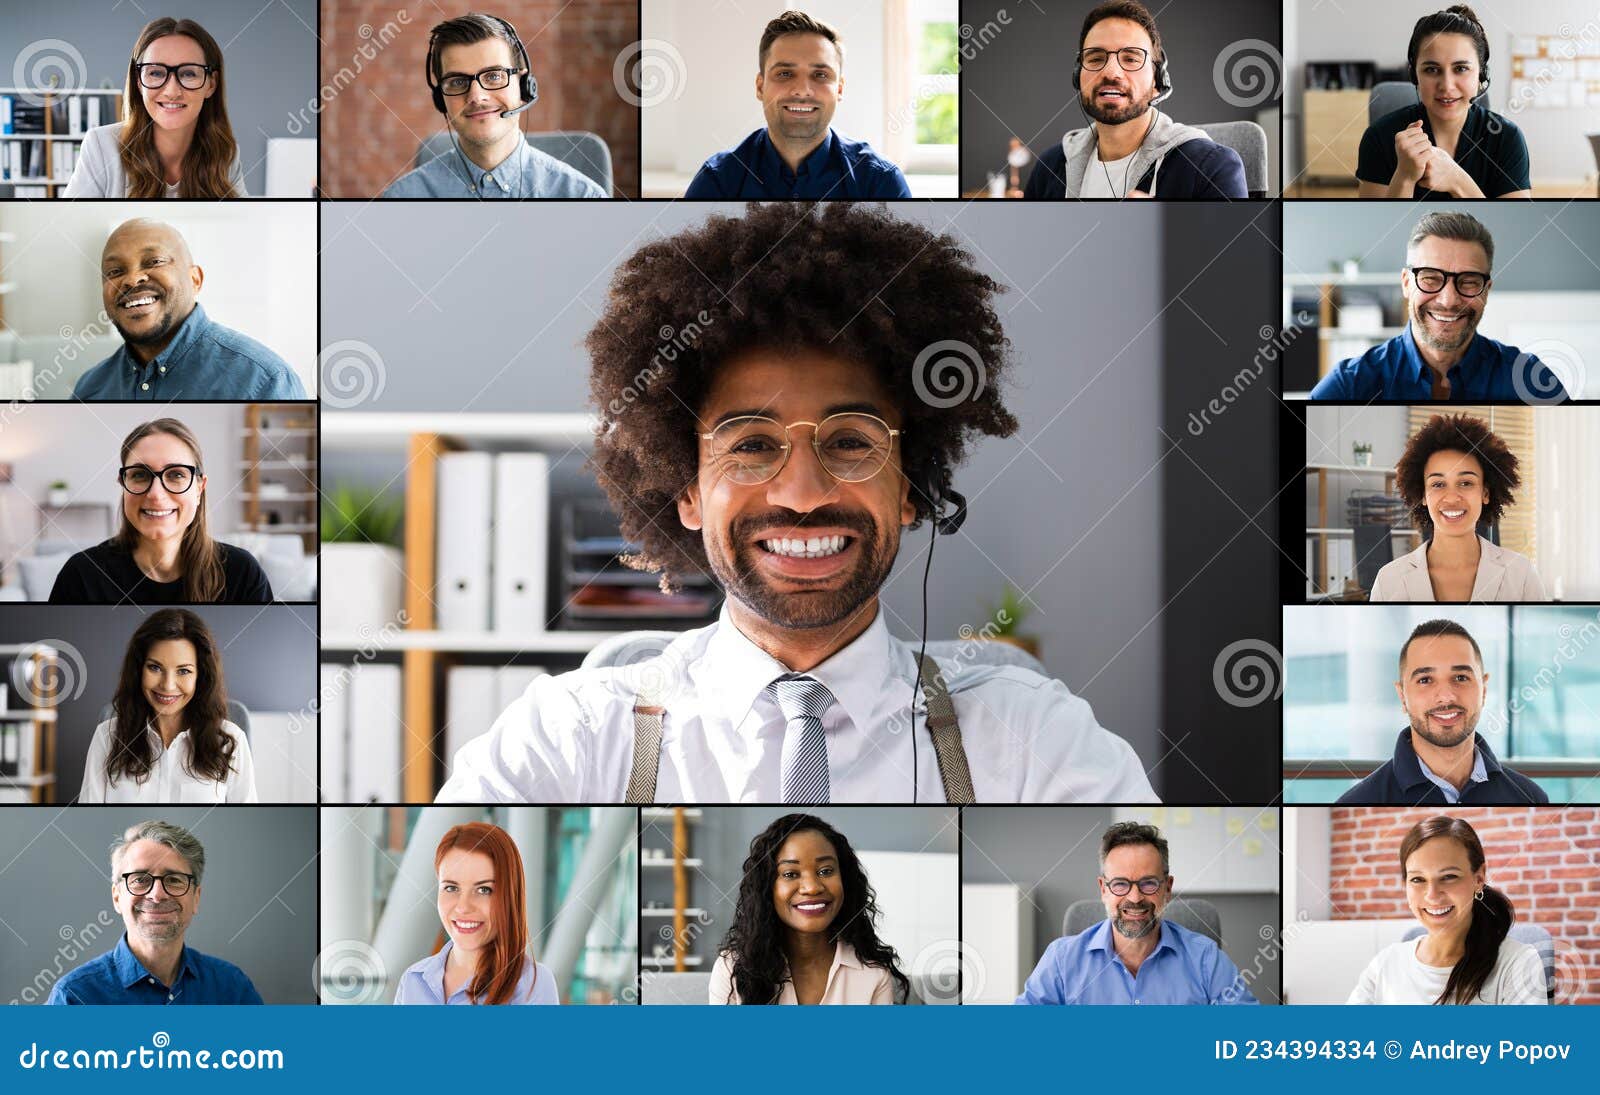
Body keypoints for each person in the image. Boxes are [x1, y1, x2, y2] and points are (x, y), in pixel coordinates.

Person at [437, 203, 1156, 804]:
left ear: (910, 486)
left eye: (850, 441)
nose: (803, 494)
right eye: (750, 445)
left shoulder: (1035, 741)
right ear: (687, 489)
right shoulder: (571, 735)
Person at [1310, 212, 1567, 401]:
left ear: (1486, 291)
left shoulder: (1528, 379)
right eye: (1431, 278)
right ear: (1406, 284)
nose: (1448, 300)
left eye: (1468, 282)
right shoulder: (1350, 384)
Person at [1015, 821, 1257, 1004]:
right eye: (1120, 884)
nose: (1135, 897)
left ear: (1167, 888)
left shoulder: (1205, 958)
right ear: (1103, 889)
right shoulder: (1061, 960)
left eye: (1148, 883)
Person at [1023, 1, 1246, 199]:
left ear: (1157, 82)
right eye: (1096, 58)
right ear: (1077, 76)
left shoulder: (1211, 167)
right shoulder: (1051, 167)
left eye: (1130, 59)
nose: (1111, 72)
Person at [683, 10, 911, 199]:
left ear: (839, 89)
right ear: (760, 86)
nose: (802, 89)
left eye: (820, 75)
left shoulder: (881, 183)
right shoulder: (718, 181)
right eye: (785, 73)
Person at [72, 219, 306, 401]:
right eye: (114, 272)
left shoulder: (265, 380)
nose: (132, 280)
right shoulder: (89, 389)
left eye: (154, 262)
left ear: (195, 280)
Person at [381, 13, 606, 199]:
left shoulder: (585, 196)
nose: (477, 97)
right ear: (441, 99)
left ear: (524, 87)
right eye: (458, 82)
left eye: (494, 77)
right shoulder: (399, 199)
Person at [50, 418, 273, 604]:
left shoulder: (242, 573)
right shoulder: (81, 575)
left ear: (199, 488)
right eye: (139, 474)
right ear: (122, 483)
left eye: (176, 475)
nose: (156, 494)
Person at [47, 820, 263, 1003]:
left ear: (196, 898)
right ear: (117, 897)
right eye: (140, 880)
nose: (157, 895)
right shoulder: (74, 997)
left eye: (174, 880)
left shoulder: (233, 990)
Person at [1338, 618, 1548, 804]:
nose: (1446, 696)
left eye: (1460, 678)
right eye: (1425, 680)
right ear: (1402, 696)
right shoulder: (1361, 800)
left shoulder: (1530, 797)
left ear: (1483, 689)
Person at [710, 814, 906, 1004]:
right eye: (790, 874)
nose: (812, 887)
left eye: (826, 871)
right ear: (767, 887)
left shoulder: (874, 974)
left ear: (845, 880)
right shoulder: (731, 969)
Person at [1348, 815, 1545, 1004]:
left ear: (1479, 878)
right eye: (1418, 879)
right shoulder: (1385, 963)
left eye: (1449, 876)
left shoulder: (1519, 964)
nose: (1432, 895)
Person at [78, 609, 255, 804]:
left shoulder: (231, 741)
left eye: (184, 671)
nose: (168, 685)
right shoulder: (107, 737)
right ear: (138, 670)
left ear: (201, 676)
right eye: (155, 667)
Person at [1357, 7, 1530, 199]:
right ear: (1414, 75)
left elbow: (1505, 225)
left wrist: (1457, 180)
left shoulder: (1507, 137)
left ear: (1481, 74)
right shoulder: (1379, 137)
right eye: (1432, 69)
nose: (1447, 86)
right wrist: (1404, 178)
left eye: (1461, 68)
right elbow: (1383, 228)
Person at [1371, 414, 1547, 601]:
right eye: (1438, 484)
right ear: (1423, 495)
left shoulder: (1522, 574)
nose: (1452, 497)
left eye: (1465, 483)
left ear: (1485, 494)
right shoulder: (1388, 581)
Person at [64, 17, 246, 199]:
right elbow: (69, 225)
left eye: (189, 73)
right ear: (138, 82)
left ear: (211, 84)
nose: (172, 91)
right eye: (156, 73)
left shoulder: (224, 152)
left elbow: (243, 224)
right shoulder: (101, 146)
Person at [394, 822, 559, 1004]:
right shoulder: (412, 979)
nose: (463, 907)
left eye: (484, 890)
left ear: (509, 896)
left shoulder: (533, 984)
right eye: (451, 887)